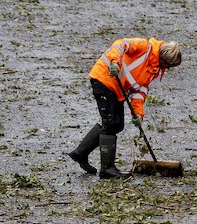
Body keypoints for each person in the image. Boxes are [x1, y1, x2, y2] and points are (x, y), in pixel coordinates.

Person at [69, 37, 182, 178]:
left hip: (116, 89)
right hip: (104, 79)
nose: (167, 69)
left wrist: (138, 114)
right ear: (164, 58)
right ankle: (107, 169)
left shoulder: (153, 69)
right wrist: (115, 62)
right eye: (168, 65)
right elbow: (120, 45)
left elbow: (140, 91)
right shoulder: (144, 47)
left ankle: (80, 153)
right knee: (111, 123)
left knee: (117, 124)